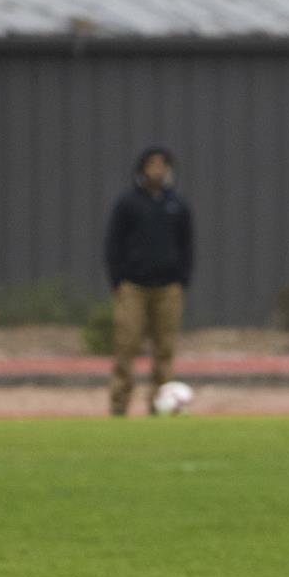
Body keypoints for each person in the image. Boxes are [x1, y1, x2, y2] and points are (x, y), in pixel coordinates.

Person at [104, 146, 193, 416]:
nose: (157, 170)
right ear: (142, 169)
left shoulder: (177, 205)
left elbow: (187, 245)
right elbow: (113, 244)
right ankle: (119, 405)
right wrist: (118, 280)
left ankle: (160, 406)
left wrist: (182, 279)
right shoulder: (128, 204)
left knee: (165, 349)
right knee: (126, 346)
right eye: (152, 165)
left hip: (168, 287)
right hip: (133, 286)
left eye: (162, 165)